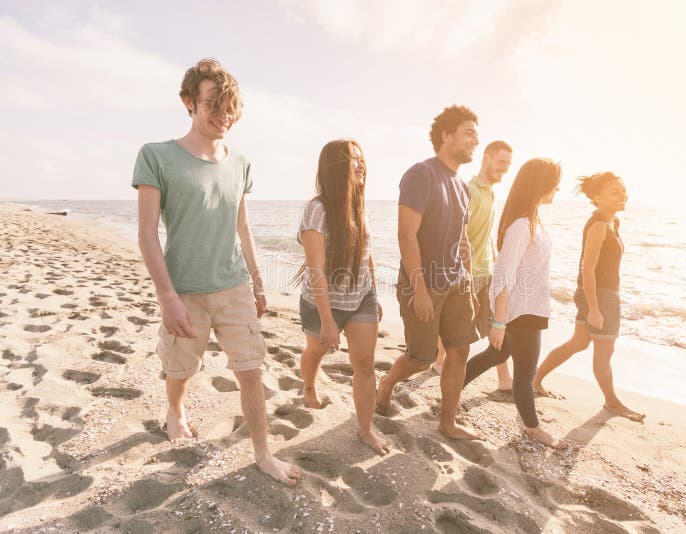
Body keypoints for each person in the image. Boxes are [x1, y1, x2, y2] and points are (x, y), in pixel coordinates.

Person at [133, 58, 302, 485]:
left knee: (251, 370)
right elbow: (148, 233)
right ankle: (174, 409)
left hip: (234, 287)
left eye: (230, 107)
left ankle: (264, 454)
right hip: (183, 289)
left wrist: (258, 281)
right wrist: (167, 297)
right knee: (179, 368)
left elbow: (241, 225)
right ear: (189, 102)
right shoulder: (156, 156)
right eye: (213, 104)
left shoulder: (240, 162)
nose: (224, 115)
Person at [376, 105, 481, 440]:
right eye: (468, 132)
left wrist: (470, 281)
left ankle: (448, 422)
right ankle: (387, 382)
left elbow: (462, 237)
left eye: (476, 134)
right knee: (422, 358)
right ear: (446, 135)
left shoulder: (463, 187)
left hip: (456, 284)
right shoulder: (422, 174)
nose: (475, 140)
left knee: (460, 350)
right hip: (424, 282)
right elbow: (406, 235)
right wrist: (419, 290)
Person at [296, 139, 392, 456]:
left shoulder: (358, 207)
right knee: (317, 350)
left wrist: (374, 294)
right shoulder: (317, 209)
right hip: (323, 302)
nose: (361, 164)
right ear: (335, 167)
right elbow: (316, 270)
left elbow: (367, 256)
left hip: (360, 298)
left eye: (362, 158)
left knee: (364, 364)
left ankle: (365, 429)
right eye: (353, 159)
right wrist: (327, 320)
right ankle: (309, 385)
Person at [463, 158, 565, 448]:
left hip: (529, 308)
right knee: (525, 374)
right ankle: (532, 427)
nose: (558, 187)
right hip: (521, 312)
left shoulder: (534, 219)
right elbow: (503, 274)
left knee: (494, 356)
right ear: (539, 184)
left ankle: (452, 391)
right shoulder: (522, 225)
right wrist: (498, 321)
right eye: (554, 181)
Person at [533, 172, 644, 422]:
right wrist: (594, 308)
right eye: (614, 192)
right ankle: (612, 402)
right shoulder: (598, 225)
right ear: (597, 197)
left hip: (595, 294)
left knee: (578, 343)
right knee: (604, 351)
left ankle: (536, 379)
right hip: (599, 296)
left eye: (623, 190)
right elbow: (588, 268)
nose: (622, 195)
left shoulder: (612, 223)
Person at [432, 141, 514, 395]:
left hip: (485, 271)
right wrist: (461, 274)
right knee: (461, 330)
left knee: (498, 325)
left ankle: (504, 379)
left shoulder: (491, 193)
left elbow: (484, 232)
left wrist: (496, 256)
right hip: (467, 273)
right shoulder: (470, 190)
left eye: (509, 165)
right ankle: (438, 362)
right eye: (502, 162)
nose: (505, 169)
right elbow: (458, 234)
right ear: (487, 158)